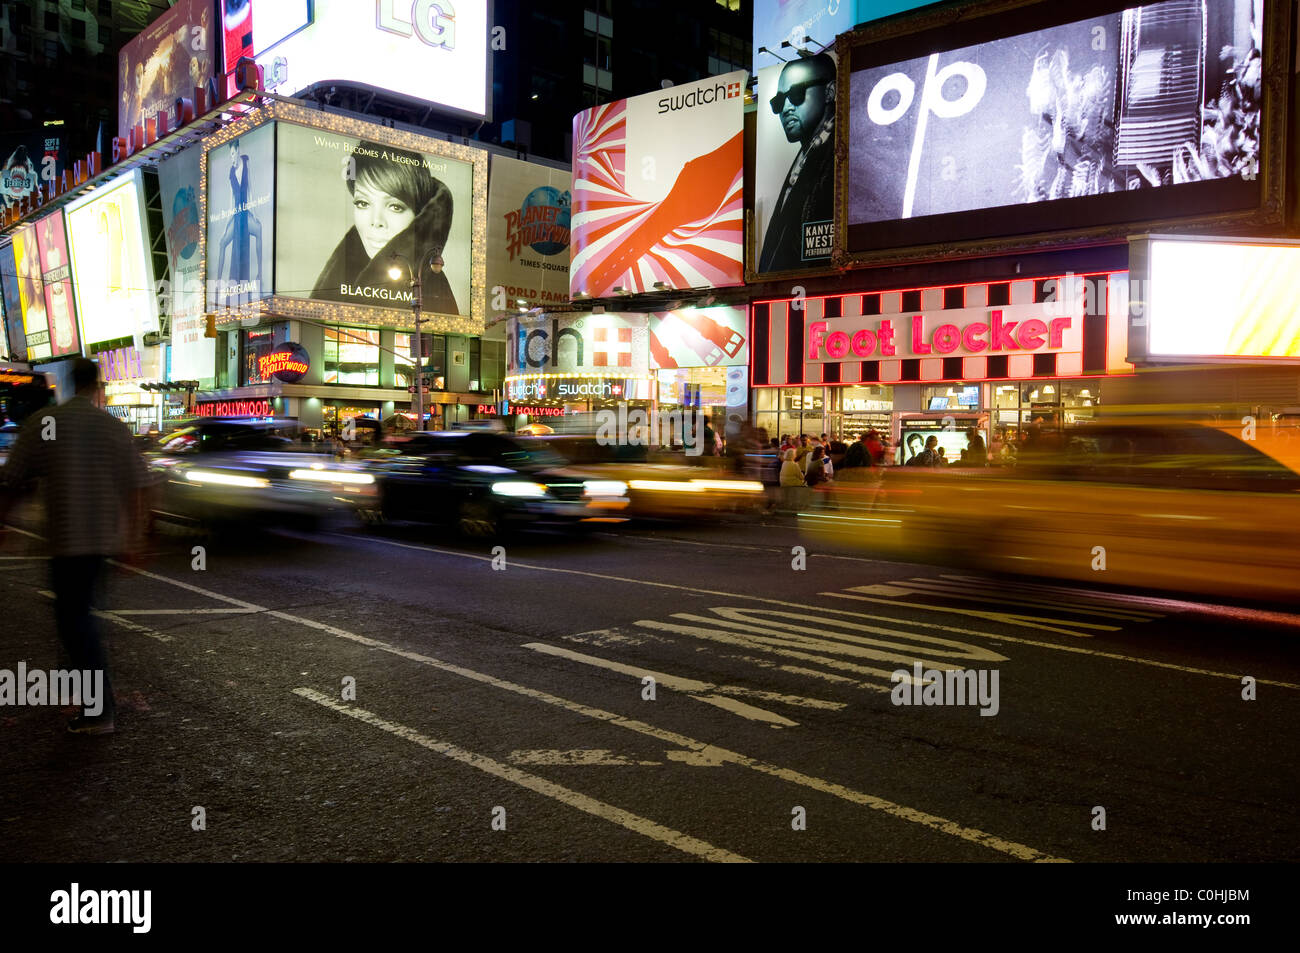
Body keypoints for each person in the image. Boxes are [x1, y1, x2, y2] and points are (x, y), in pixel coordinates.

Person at [0, 359, 149, 734]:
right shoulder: (112, 427)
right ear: (97, 385)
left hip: (67, 541)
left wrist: (5, 523)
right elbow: (139, 487)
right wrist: (134, 539)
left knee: (76, 623)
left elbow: (14, 479)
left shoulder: (46, 424)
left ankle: (99, 711)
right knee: (82, 618)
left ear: (68, 383)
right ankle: (79, 688)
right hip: (103, 542)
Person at [313, 140, 459, 315]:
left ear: (419, 213)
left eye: (395, 207)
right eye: (362, 203)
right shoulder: (340, 278)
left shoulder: (434, 293)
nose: (376, 221)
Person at [758, 53, 836, 272]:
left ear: (830, 91)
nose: (786, 108)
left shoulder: (840, 152)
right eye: (779, 101)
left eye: (796, 93)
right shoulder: (807, 154)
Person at [214, 138, 265, 305]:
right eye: (230, 155)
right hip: (236, 214)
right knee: (222, 242)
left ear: (238, 150)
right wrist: (227, 219)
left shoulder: (245, 162)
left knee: (259, 229)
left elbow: (251, 188)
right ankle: (218, 283)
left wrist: (254, 211)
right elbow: (231, 198)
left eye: (233, 154)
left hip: (246, 211)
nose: (232, 158)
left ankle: (260, 274)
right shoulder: (231, 171)